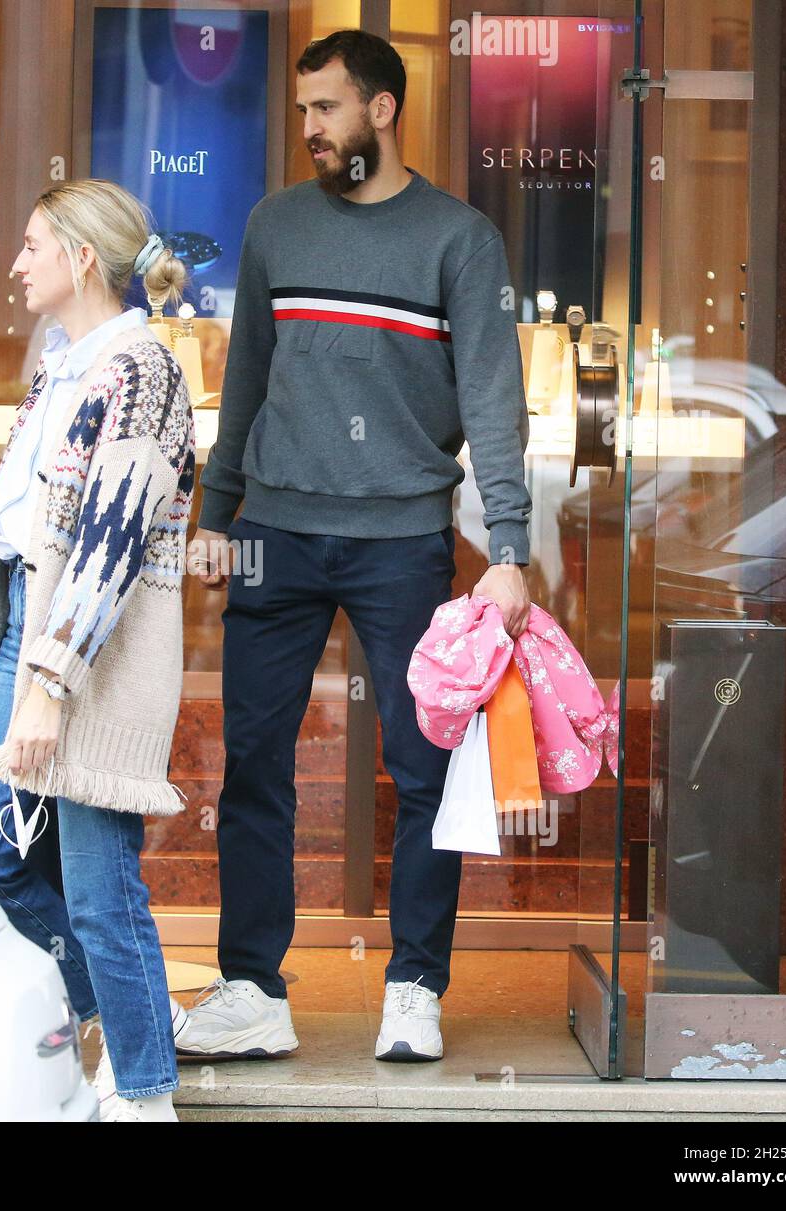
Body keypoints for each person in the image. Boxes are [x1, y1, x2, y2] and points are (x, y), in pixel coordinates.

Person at [179, 30, 533, 1064]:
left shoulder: (458, 239)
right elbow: (246, 380)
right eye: (302, 111)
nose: (309, 128)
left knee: (424, 769)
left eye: (326, 108)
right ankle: (253, 988)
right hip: (274, 534)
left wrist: (508, 545)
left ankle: (414, 985)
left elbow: (493, 403)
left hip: (402, 541)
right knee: (253, 765)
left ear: (382, 109)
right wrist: (215, 514)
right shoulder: (275, 225)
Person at [0, 179, 196, 1122]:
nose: (16, 265)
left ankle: (146, 1087)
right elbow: (20, 527)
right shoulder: (62, 367)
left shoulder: (142, 372)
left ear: (82, 257)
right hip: (24, 637)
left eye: (32, 245)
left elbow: (110, 546)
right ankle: (129, 1015)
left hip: (90, 655)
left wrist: (51, 682)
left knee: (98, 887)